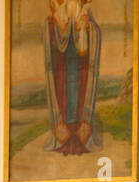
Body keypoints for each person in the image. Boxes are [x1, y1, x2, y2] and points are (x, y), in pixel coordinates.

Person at [43, 0, 102, 156]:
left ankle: (79, 137)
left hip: (80, 71)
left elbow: (96, 31)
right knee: (66, 98)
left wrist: (88, 27)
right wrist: (53, 23)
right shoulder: (60, 11)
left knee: (77, 98)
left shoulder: (84, 11)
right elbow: (53, 33)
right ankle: (65, 138)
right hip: (63, 70)